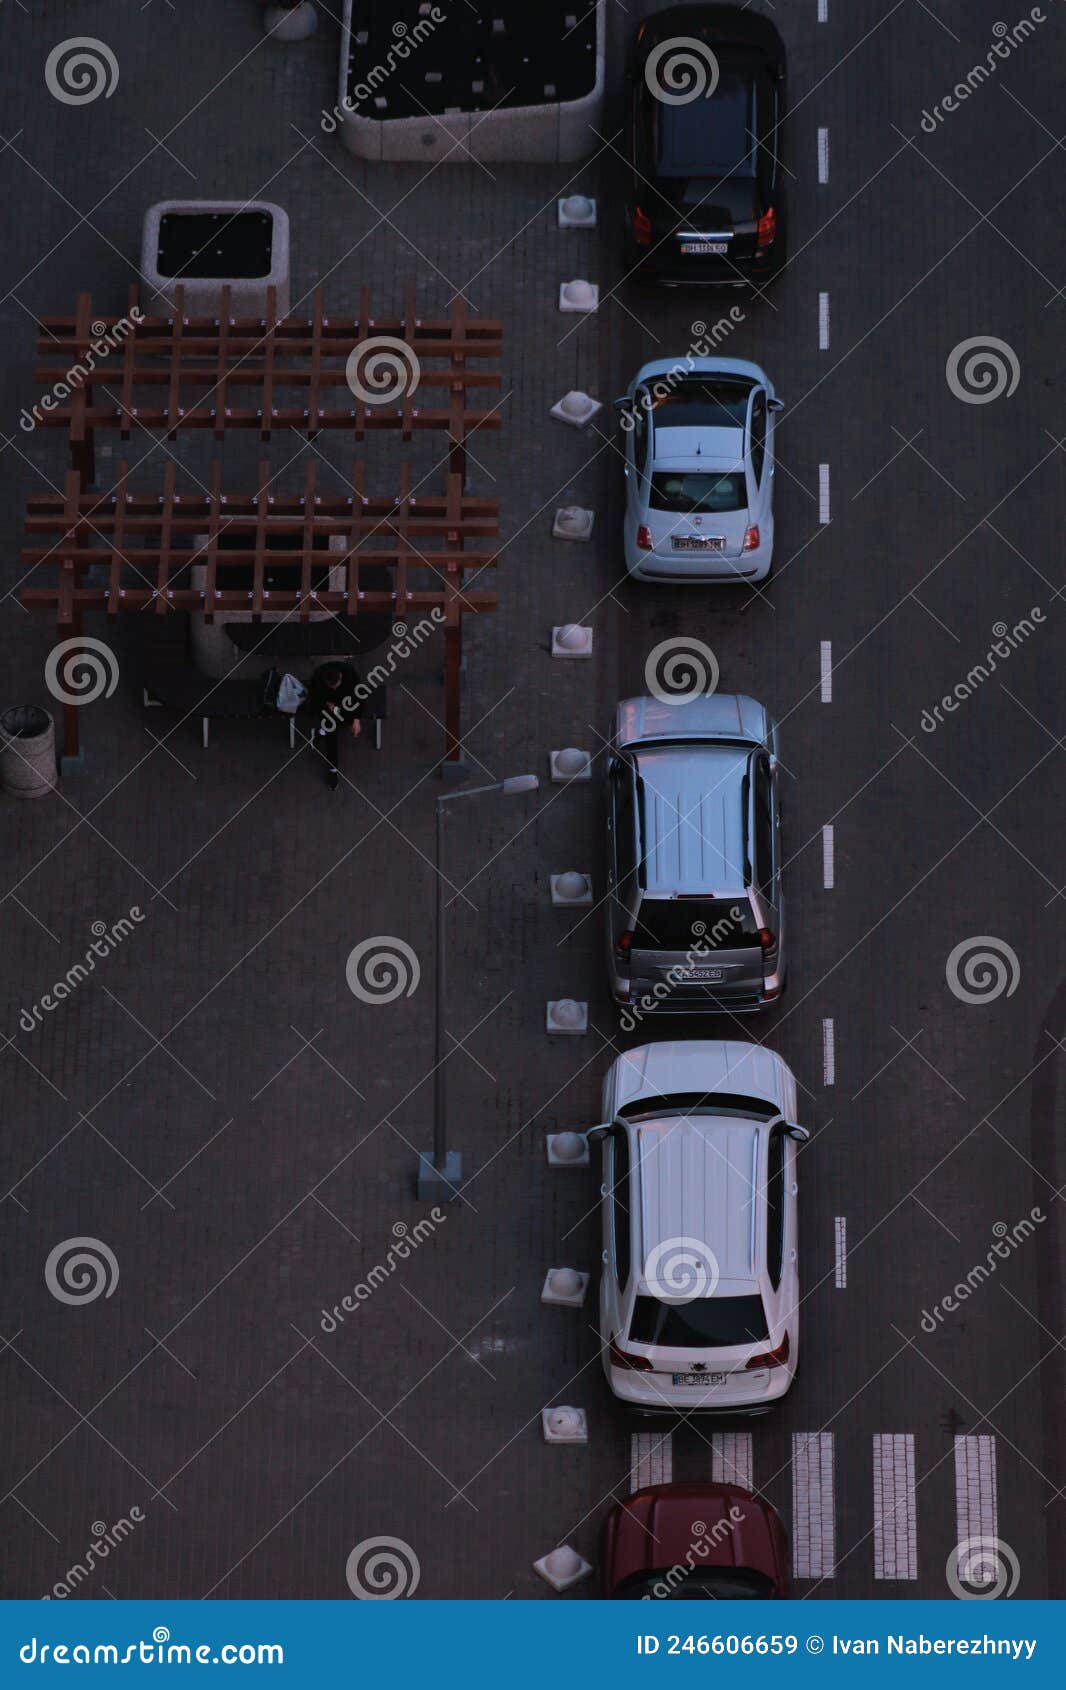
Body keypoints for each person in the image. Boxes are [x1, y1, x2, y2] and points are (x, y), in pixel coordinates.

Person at [307, 661, 362, 790]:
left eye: (336, 686)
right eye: (330, 687)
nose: (334, 689)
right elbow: (315, 698)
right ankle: (332, 770)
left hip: (344, 706)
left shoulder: (350, 674)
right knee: (332, 734)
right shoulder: (318, 678)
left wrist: (356, 719)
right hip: (327, 709)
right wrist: (327, 704)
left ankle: (321, 732)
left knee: (336, 723)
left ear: (341, 677)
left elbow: (360, 695)